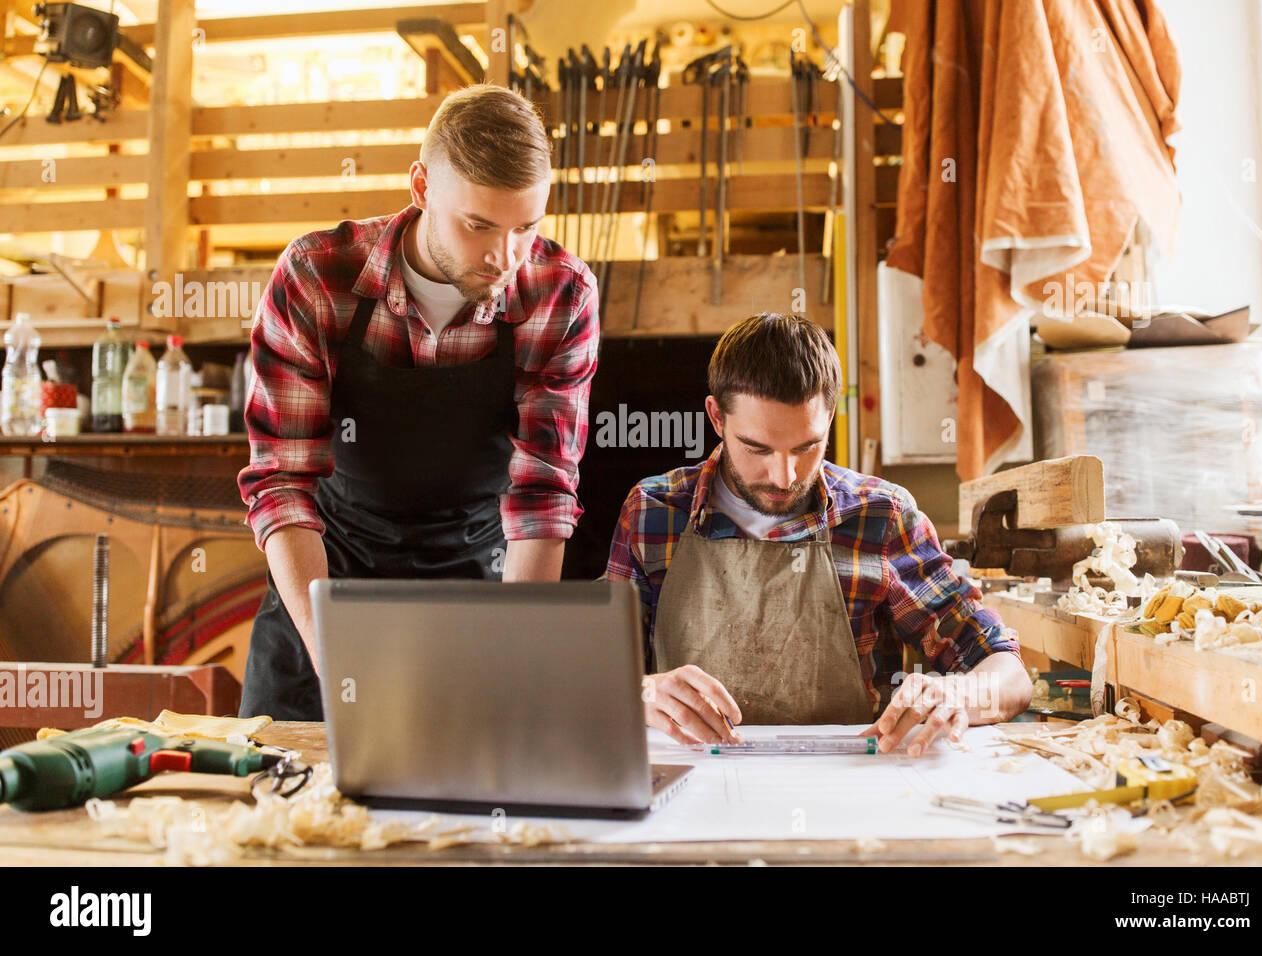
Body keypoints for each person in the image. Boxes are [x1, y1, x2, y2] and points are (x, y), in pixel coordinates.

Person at [238, 85, 599, 720]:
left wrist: (515, 657)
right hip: (324, 590)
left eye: (526, 228)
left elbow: (542, 495)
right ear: (422, 187)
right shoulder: (315, 276)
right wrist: (340, 663)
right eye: (478, 224)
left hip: (476, 600)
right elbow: (282, 486)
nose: (502, 257)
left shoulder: (560, 294)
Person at [605, 313, 1030, 756]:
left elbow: (1008, 673)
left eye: (807, 446)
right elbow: (594, 675)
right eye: (757, 448)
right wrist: (642, 692)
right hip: (689, 787)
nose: (784, 477)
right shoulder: (654, 512)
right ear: (716, 417)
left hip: (846, 790)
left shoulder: (881, 517)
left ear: (831, 415)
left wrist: (959, 694)